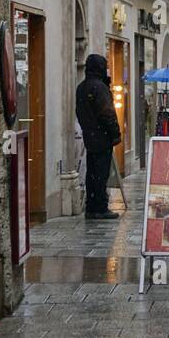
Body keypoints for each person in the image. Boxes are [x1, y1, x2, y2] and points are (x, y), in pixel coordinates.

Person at [75, 54, 122, 220]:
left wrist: (88, 128)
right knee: (101, 172)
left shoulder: (82, 87)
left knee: (92, 172)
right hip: (102, 135)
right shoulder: (99, 88)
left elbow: (79, 112)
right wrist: (115, 133)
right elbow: (107, 113)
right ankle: (100, 207)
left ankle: (91, 206)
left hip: (89, 135)